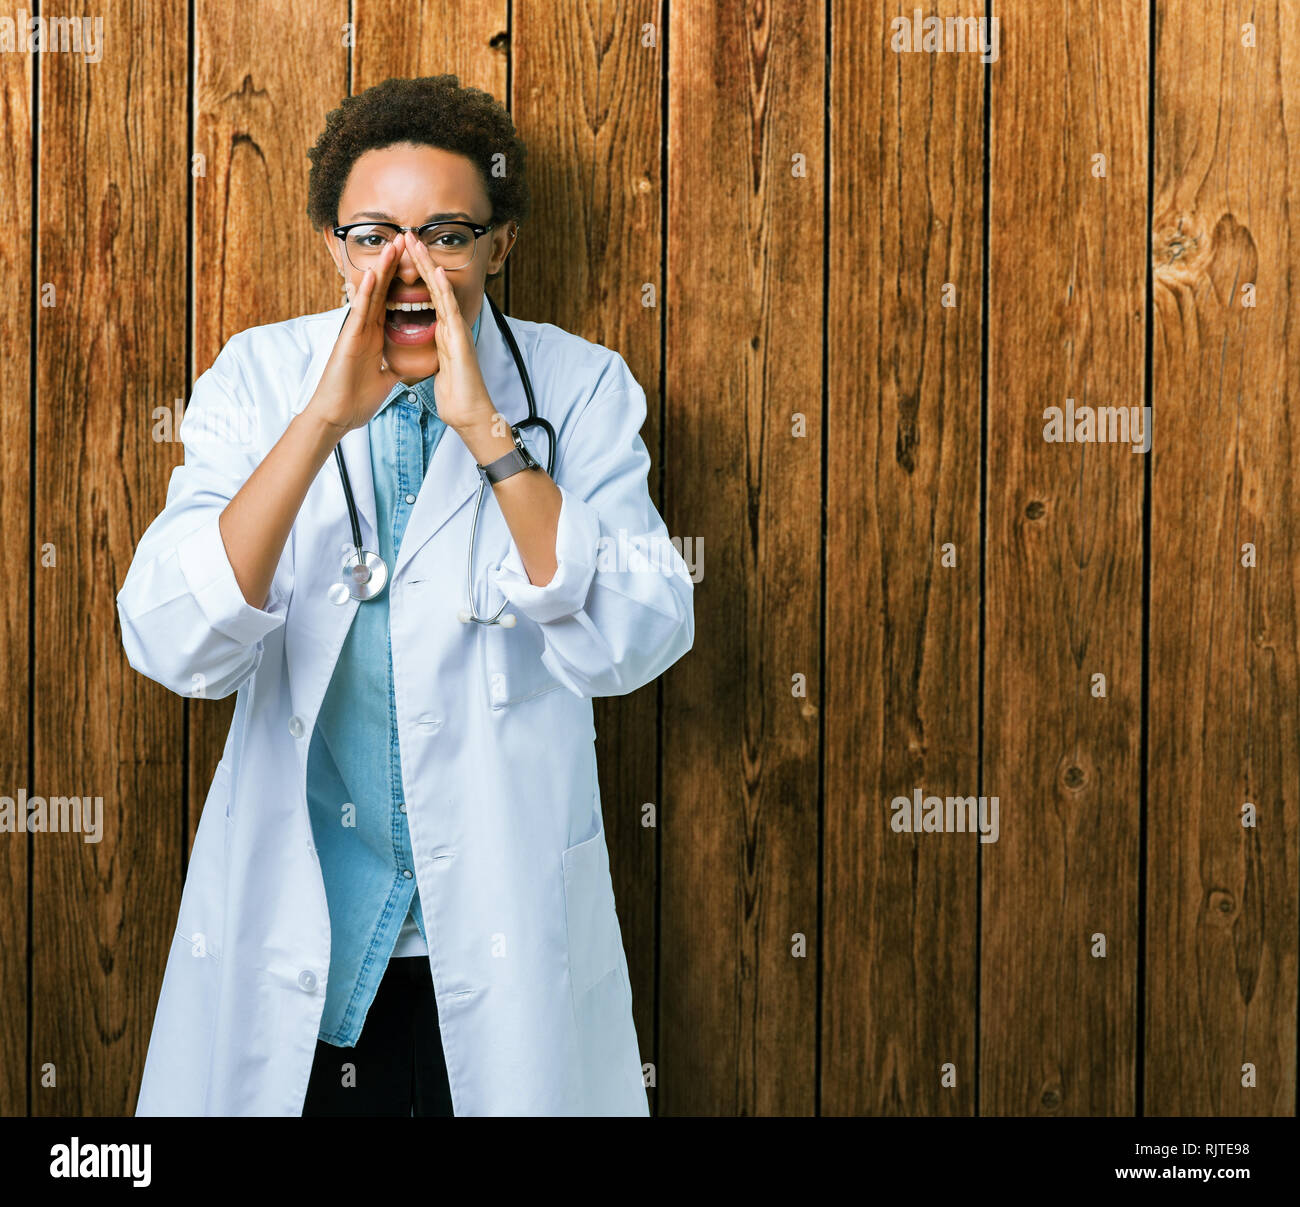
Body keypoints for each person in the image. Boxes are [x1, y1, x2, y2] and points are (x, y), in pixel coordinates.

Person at [116, 74, 694, 1116]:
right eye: (375, 232)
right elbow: (175, 640)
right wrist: (319, 425)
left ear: (499, 247)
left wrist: (487, 433)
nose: (409, 267)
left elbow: (635, 639)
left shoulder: (578, 387)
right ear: (334, 248)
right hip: (306, 938)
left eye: (449, 234)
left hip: (495, 933)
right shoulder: (258, 378)